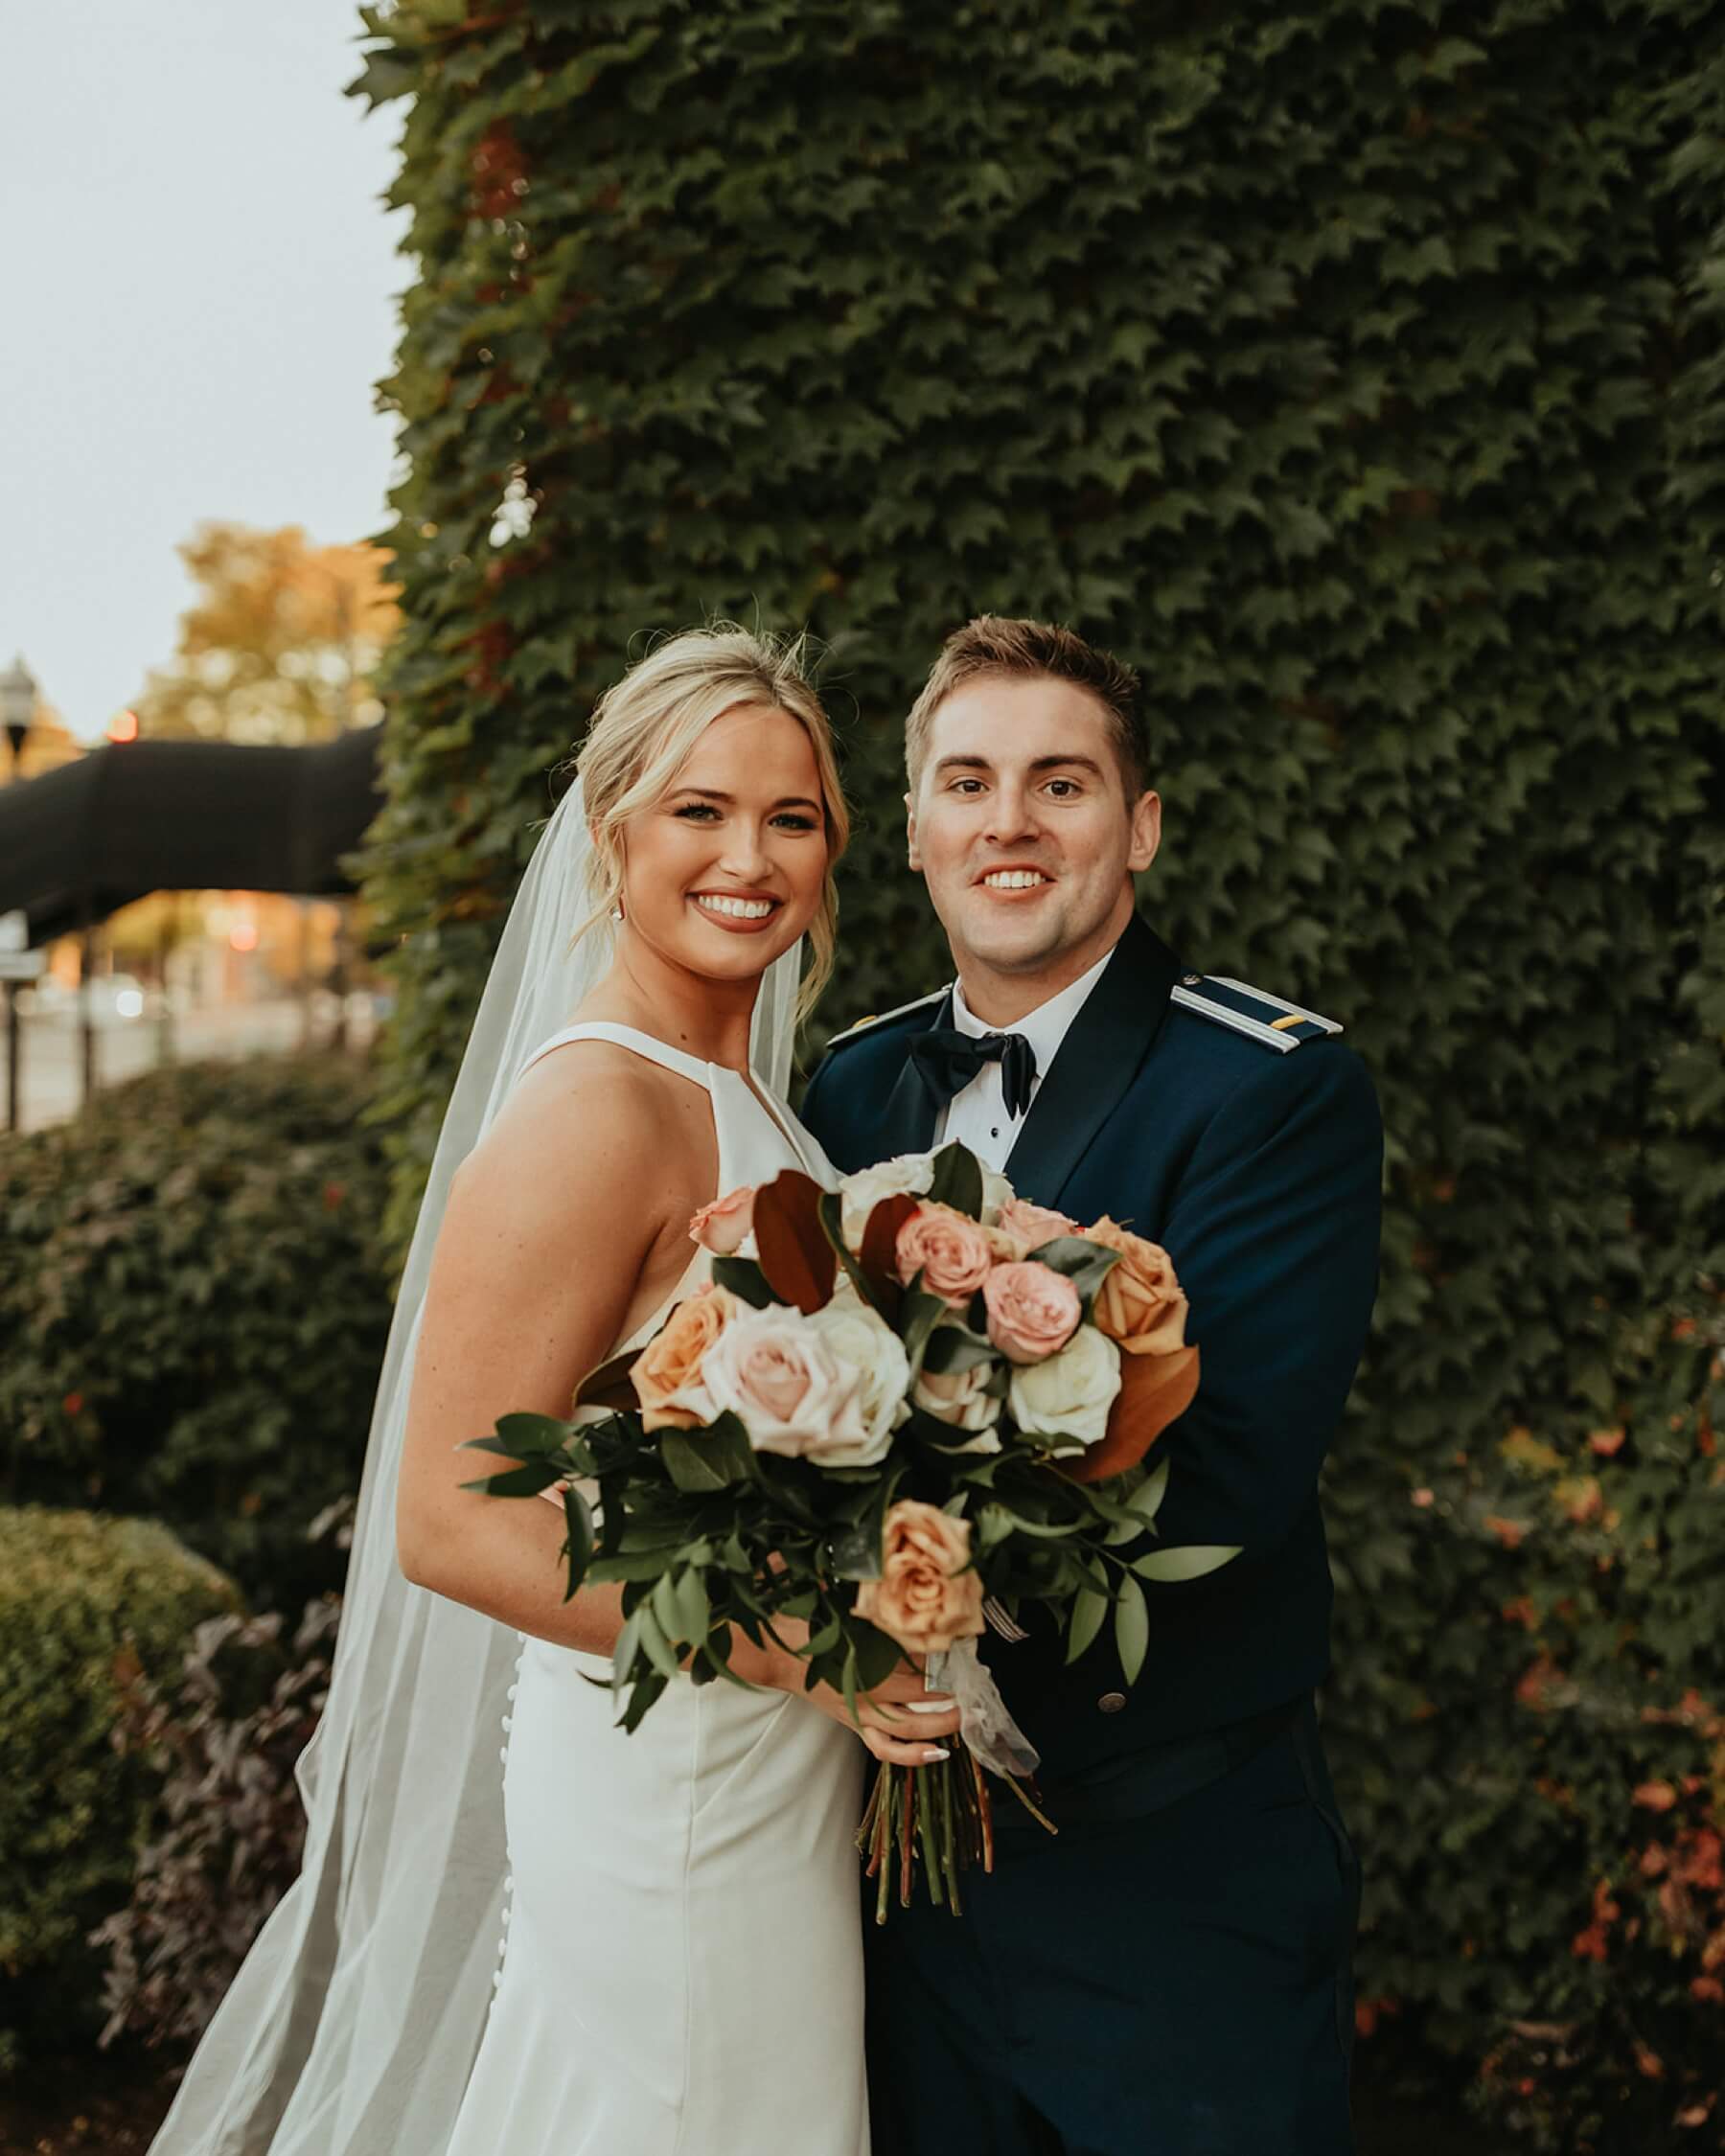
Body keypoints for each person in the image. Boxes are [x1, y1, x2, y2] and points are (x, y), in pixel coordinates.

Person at [147, 626, 958, 2156]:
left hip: (762, 1778)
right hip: (674, 1779)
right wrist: (796, 1651)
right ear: (611, 831)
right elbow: (451, 1523)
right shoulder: (599, 1105)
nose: (749, 856)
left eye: (792, 818)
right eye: (698, 811)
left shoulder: (749, 1097)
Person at [800, 615, 1383, 2156]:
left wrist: (902, 1580)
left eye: (1061, 783)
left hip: (1171, 1889)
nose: (1010, 821)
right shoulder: (841, 1088)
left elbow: (1232, 1479)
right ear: (914, 826)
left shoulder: (1266, 1086)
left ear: (1140, 827)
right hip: (896, 1900)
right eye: (968, 780)